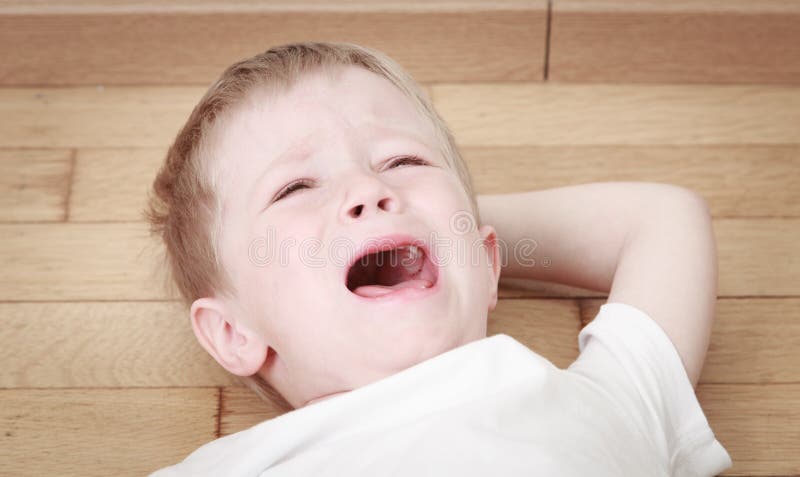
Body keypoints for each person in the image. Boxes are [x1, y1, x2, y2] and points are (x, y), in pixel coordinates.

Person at [146, 41, 733, 476]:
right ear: (232, 331)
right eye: (295, 188)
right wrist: (424, 221)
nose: (368, 190)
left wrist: (456, 232)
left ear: (489, 265)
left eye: (404, 162)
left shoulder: (610, 405)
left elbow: (664, 219)